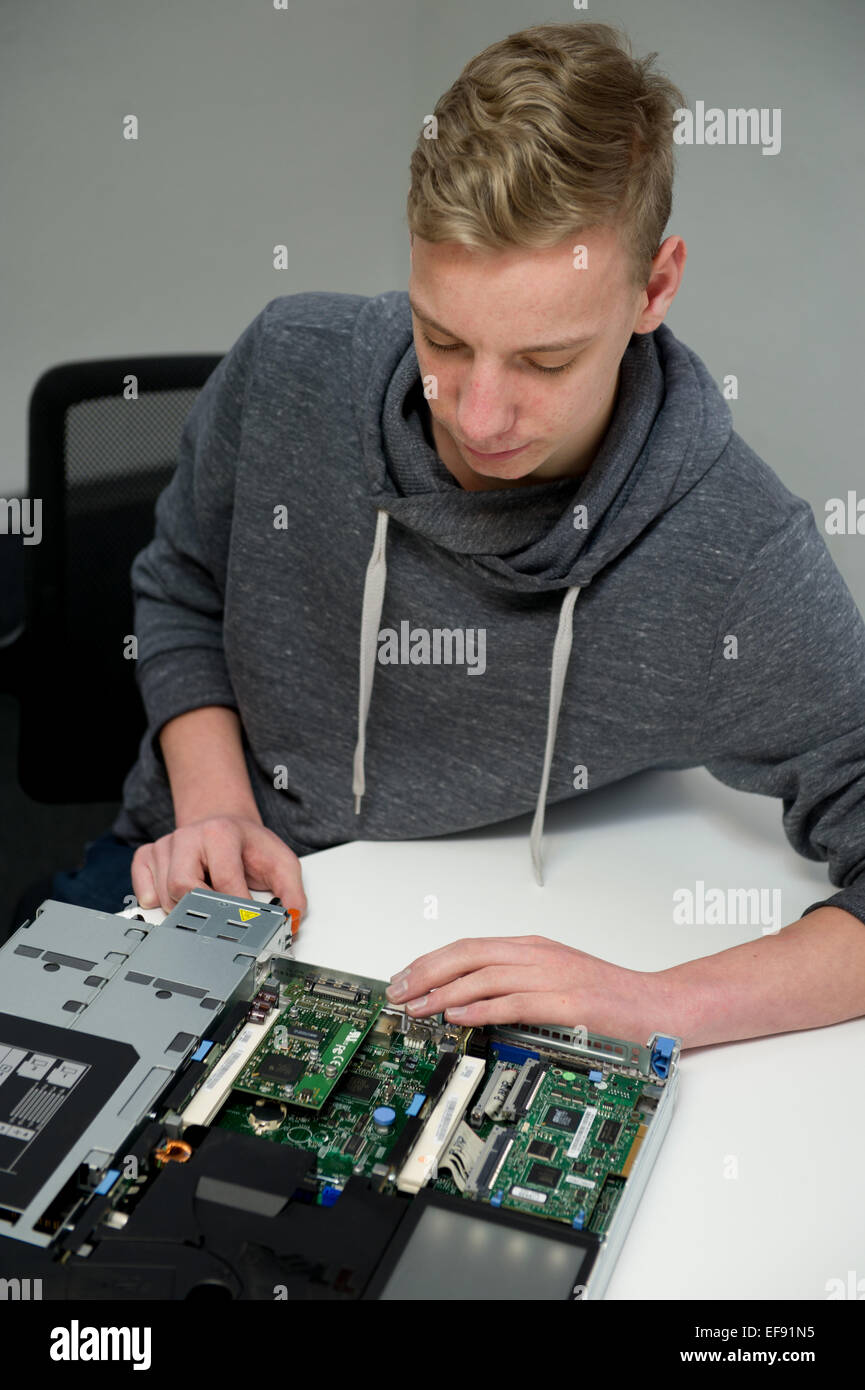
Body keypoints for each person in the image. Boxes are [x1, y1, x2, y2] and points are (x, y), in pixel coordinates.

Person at [29, 21, 865, 1047]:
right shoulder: (292, 363)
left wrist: (655, 1003)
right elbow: (182, 585)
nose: (476, 416)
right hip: (200, 870)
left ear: (652, 289)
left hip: (450, 937)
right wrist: (212, 805)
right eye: (443, 338)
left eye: (545, 362)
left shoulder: (734, 554)